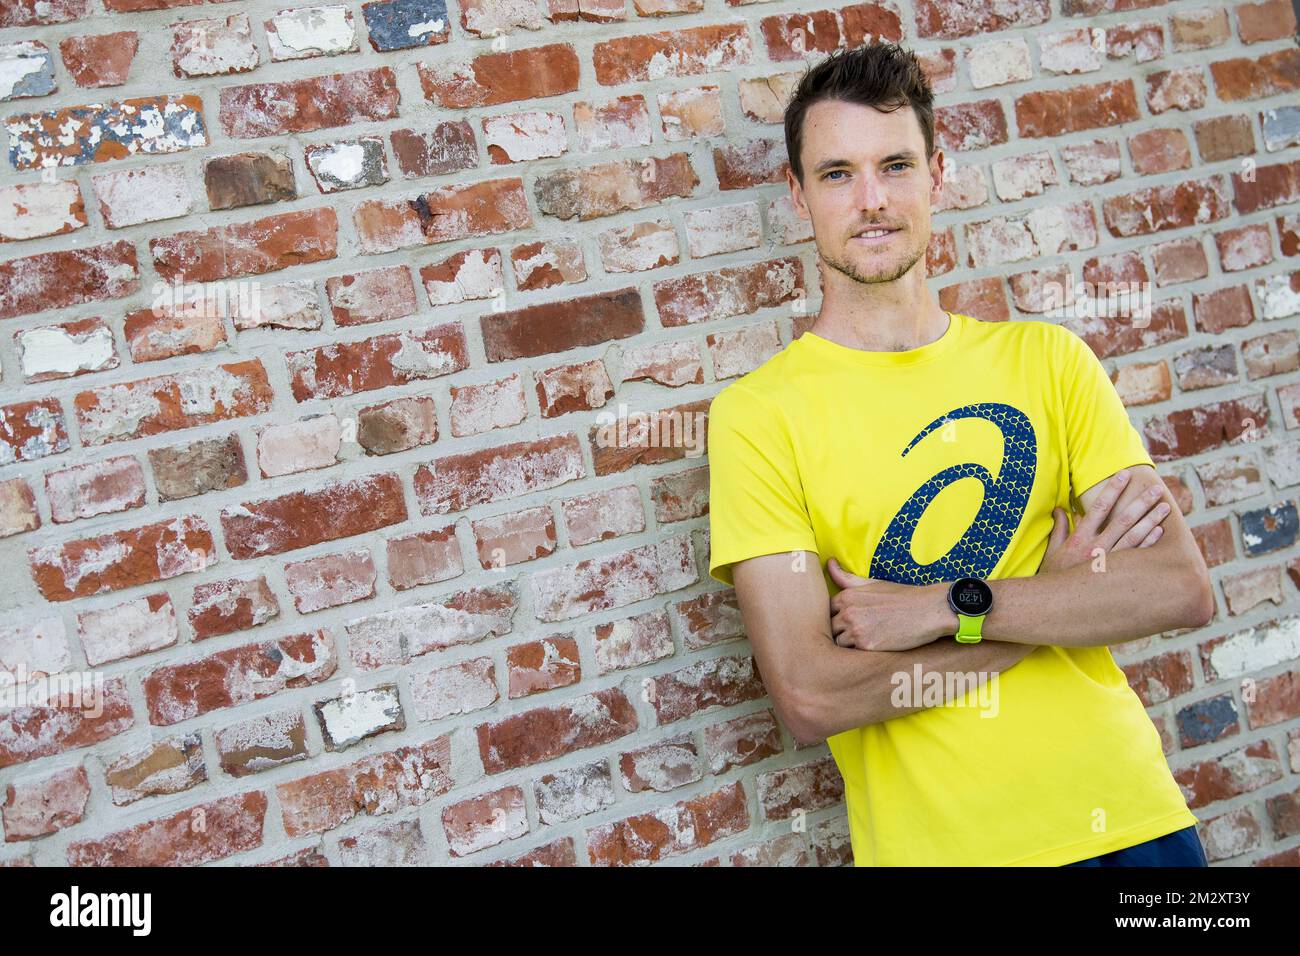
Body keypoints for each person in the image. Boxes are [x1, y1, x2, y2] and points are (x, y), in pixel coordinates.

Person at [706, 42, 1214, 867]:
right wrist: (1047, 602)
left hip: (1132, 823)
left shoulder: (1049, 362)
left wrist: (945, 606)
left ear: (937, 174)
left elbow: (1177, 586)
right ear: (797, 196)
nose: (871, 201)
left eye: (895, 165)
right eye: (837, 174)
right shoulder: (758, 419)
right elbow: (810, 695)